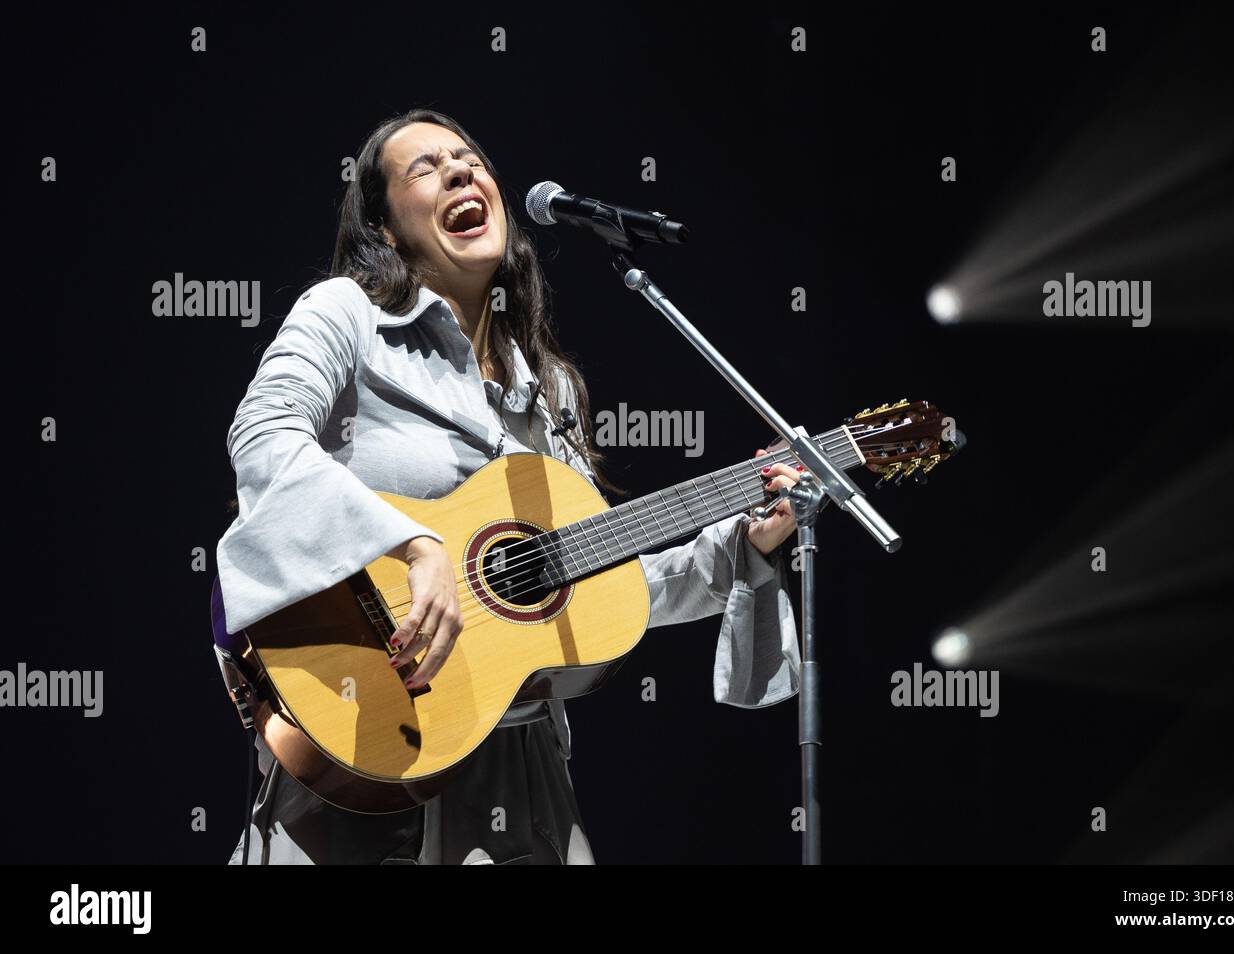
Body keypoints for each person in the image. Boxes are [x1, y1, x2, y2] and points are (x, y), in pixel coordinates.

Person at [215, 108, 802, 864]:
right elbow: (263, 439)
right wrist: (410, 541)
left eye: (468, 158)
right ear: (387, 229)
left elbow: (595, 587)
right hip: (364, 728)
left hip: (518, 781)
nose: (459, 170)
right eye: (424, 168)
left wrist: (741, 544)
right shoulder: (347, 316)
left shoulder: (548, 388)